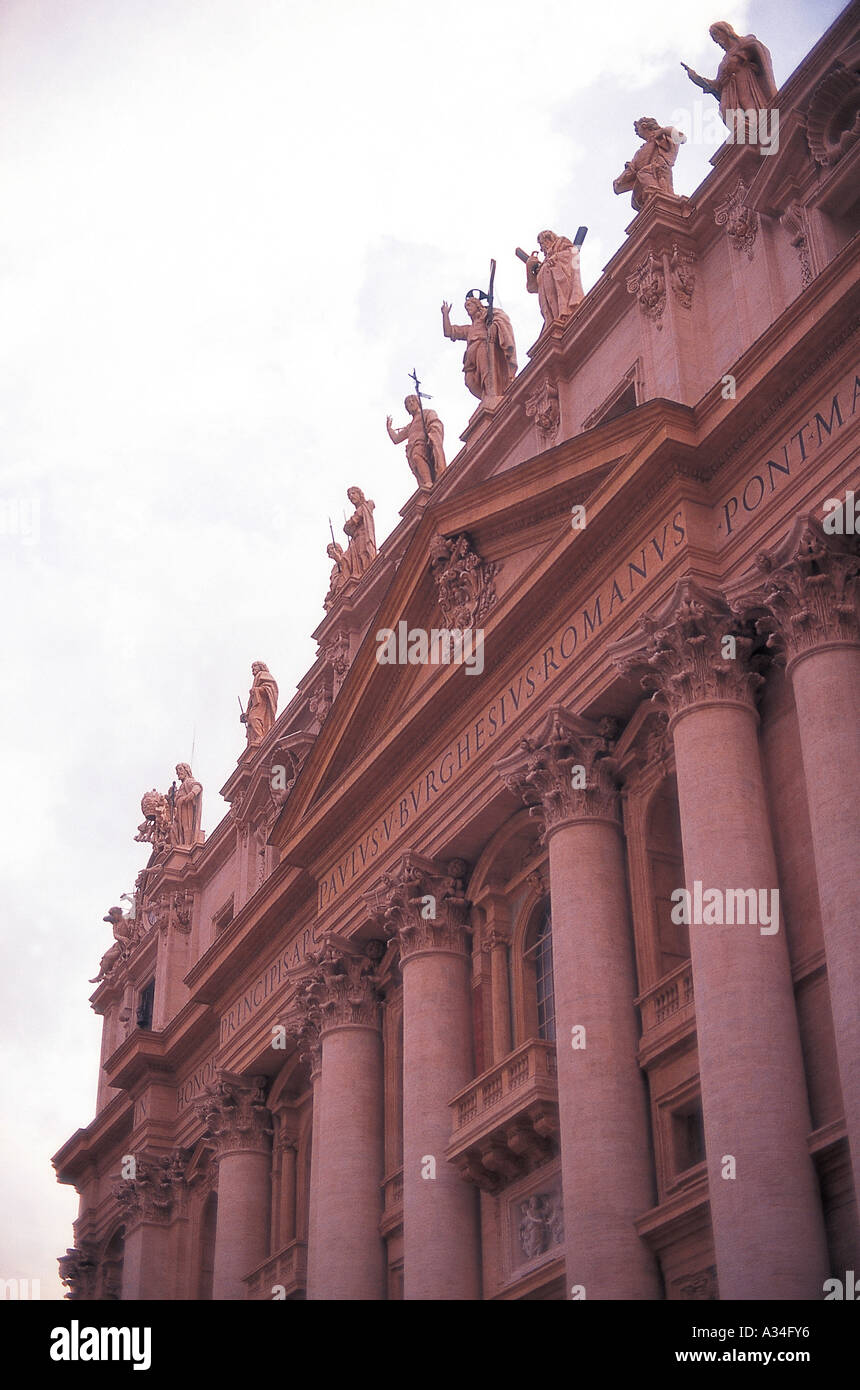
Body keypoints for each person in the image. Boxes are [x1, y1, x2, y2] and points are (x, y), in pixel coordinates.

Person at [682, 23, 777, 126]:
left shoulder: (745, 42)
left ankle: (763, 126)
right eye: (714, 38)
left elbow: (758, 49)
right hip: (729, 95)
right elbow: (717, 85)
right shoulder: (723, 62)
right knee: (725, 111)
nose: (717, 40)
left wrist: (740, 57)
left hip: (744, 83)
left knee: (748, 106)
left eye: (716, 34)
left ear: (726, 31)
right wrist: (696, 78)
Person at [441, 294, 517, 402]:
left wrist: (494, 326)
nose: (467, 308)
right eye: (466, 307)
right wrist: (445, 314)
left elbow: (500, 320)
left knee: (487, 373)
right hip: (470, 359)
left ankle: (492, 396)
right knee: (469, 381)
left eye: (469, 305)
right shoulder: (469, 329)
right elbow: (448, 332)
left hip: (484, 347)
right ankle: (486, 398)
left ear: (477, 305)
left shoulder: (487, 317)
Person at [613, 117, 686, 213]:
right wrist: (619, 181)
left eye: (637, 129)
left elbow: (682, 138)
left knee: (649, 182)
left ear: (644, 126)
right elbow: (633, 168)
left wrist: (663, 131)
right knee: (636, 201)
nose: (637, 133)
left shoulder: (663, 135)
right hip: (646, 181)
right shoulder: (641, 150)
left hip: (659, 173)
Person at [524, 230, 584, 326]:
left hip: (563, 291)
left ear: (547, 239)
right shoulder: (544, 265)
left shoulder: (561, 243)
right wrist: (529, 268)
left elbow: (573, 253)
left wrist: (556, 257)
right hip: (549, 309)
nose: (541, 249)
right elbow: (532, 288)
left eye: (541, 244)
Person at [386, 394, 446, 490]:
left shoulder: (426, 413)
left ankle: (428, 482)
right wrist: (389, 428)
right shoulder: (410, 426)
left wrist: (432, 435)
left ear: (418, 402)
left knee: (417, 457)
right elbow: (396, 439)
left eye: (412, 401)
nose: (410, 403)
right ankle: (426, 483)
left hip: (422, 443)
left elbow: (435, 423)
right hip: (411, 447)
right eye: (408, 403)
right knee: (416, 465)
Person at [241, 661, 279, 747]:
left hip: (262, 704)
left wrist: (256, 690)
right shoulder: (256, 678)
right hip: (256, 704)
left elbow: (271, 689)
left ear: (261, 667)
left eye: (255, 666)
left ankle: (260, 737)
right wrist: (246, 714)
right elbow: (251, 701)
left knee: (254, 718)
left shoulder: (263, 674)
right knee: (251, 720)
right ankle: (256, 739)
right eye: (252, 667)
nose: (253, 669)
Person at [344, 487, 377, 576]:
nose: (351, 496)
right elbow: (347, 528)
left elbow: (355, 519)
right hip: (356, 539)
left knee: (364, 554)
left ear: (360, 494)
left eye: (353, 493)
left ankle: (368, 575)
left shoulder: (367, 504)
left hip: (364, 536)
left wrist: (351, 523)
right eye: (349, 496)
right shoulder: (361, 509)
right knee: (357, 558)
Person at [172, 763, 202, 846]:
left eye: (180, 769)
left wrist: (191, 795)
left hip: (187, 808)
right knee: (176, 829)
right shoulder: (182, 785)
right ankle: (182, 844)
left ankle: (187, 845)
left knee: (187, 827)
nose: (178, 772)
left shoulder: (188, 781)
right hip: (180, 810)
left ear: (187, 770)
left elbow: (197, 787)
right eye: (177, 771)